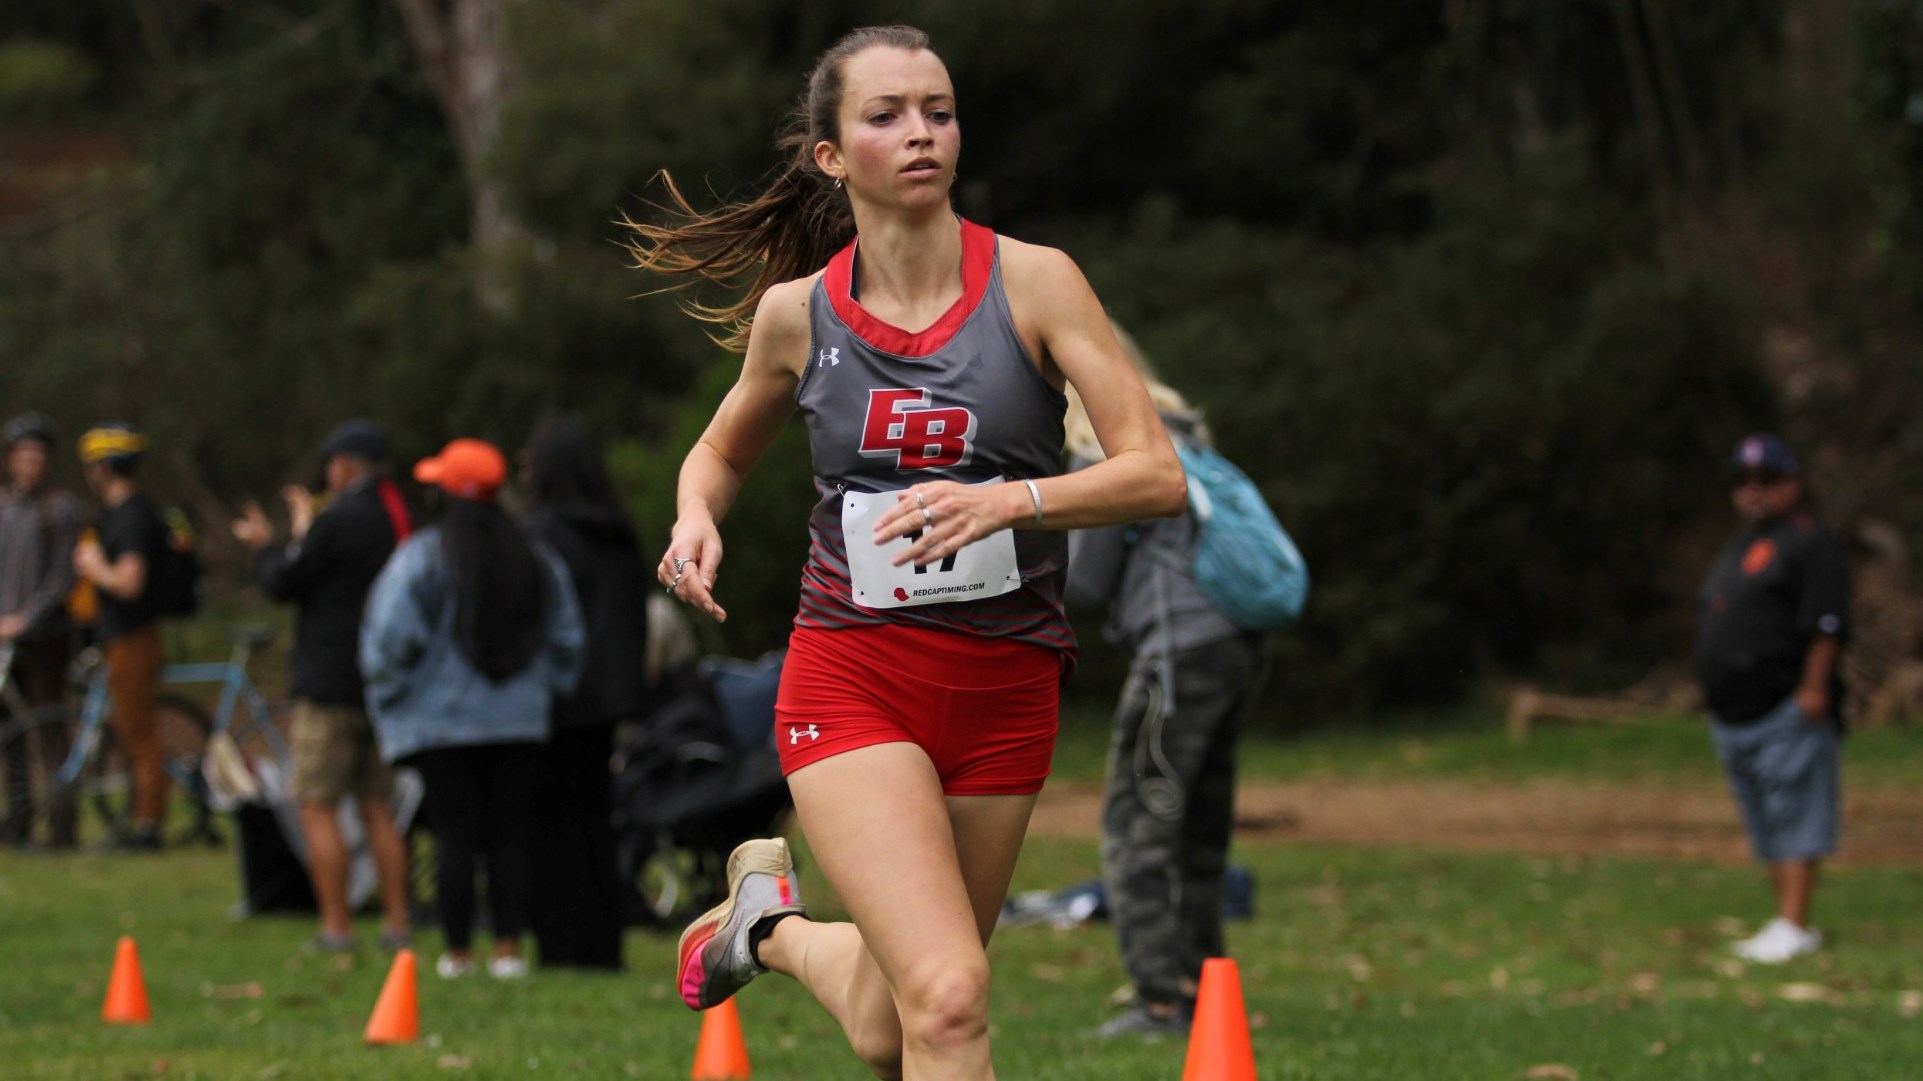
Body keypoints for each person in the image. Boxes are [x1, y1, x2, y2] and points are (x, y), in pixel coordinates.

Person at [624, 25, 1187, 1079]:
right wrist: (695, 517)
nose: (921, 133)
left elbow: (1155, 472)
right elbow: (718, 451)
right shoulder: (799, 316)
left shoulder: (1038, 282)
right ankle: (776, 925)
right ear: (833, 157)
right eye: (886, 116)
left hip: (1005, 681)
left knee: (899, 1022)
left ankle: (770, 930)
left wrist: (1007, 502)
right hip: (853, 672)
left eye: (938, 110)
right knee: (951, 996)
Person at [1061, 337, 1268, 1038]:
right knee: (1199, 829)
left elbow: (1084, 581)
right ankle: (1204, 986)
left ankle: (1159, 1002)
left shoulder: (1100, 448)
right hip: (1235, 644)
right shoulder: (1178, 431)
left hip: (1176, 654)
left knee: (1135, 825)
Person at [359, 437, 585, 981]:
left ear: (448, 495)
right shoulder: (534, 555)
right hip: (520, 724)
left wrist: (395, 698)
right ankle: (508, 950)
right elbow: (568, 638)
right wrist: (542, 691)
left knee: (454, 838)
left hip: (440, 729)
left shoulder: (422, 556)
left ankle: (457, 954)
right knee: (509, 836)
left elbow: (388, 641)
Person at [231, 419, 414, 952]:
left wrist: (268, 544)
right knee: (379, 806)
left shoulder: (341, 519)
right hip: (380, 686)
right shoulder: (394, 515)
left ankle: (337, 927)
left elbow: (287, 580)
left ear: (346, 465)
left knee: (317, 804)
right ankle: (398, 924)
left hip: (328, 686)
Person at [1694, 433, 1849, 964]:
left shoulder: (1811, 544)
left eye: (1766, 480)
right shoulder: (1740, 546)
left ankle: (1794, 923)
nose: (1753, 491)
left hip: (1786, 705)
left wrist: (1813, 688)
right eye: (1744, 481)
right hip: (1733, 712)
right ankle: (1782, 920)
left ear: (1792, 484)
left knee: (1796, 813)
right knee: (1765, 820)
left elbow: (1827, 623)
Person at [518, 412, 651, 971]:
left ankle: (560, 945)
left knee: (548, 824)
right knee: (595, 820)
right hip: (611, 700)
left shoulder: (539, 536)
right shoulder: (618, 536)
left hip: (556, 699)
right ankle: (603, 943)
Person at [72, 423, 171, 851]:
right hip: (120, 636)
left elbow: (130, 582)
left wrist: (95, 568)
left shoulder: (131, 517)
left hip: (133, 636)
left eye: (92, 466)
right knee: (134, 729)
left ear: (106, 467)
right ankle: (144, 819)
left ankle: (149, 827)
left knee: (138, 733)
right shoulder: (120, 513)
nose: (89, 474)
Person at [0, 413, 85, 849]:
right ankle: (17, 822)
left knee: (48, 726)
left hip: (46, 635)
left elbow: (62, 578)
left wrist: (25, 617)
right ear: (13, 459)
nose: (30, 462)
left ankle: (62, 828)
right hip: (5, 638)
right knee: (8, 730)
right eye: (23, 454)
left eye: (38, 455)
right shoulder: (5, 505)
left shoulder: (61, 508)